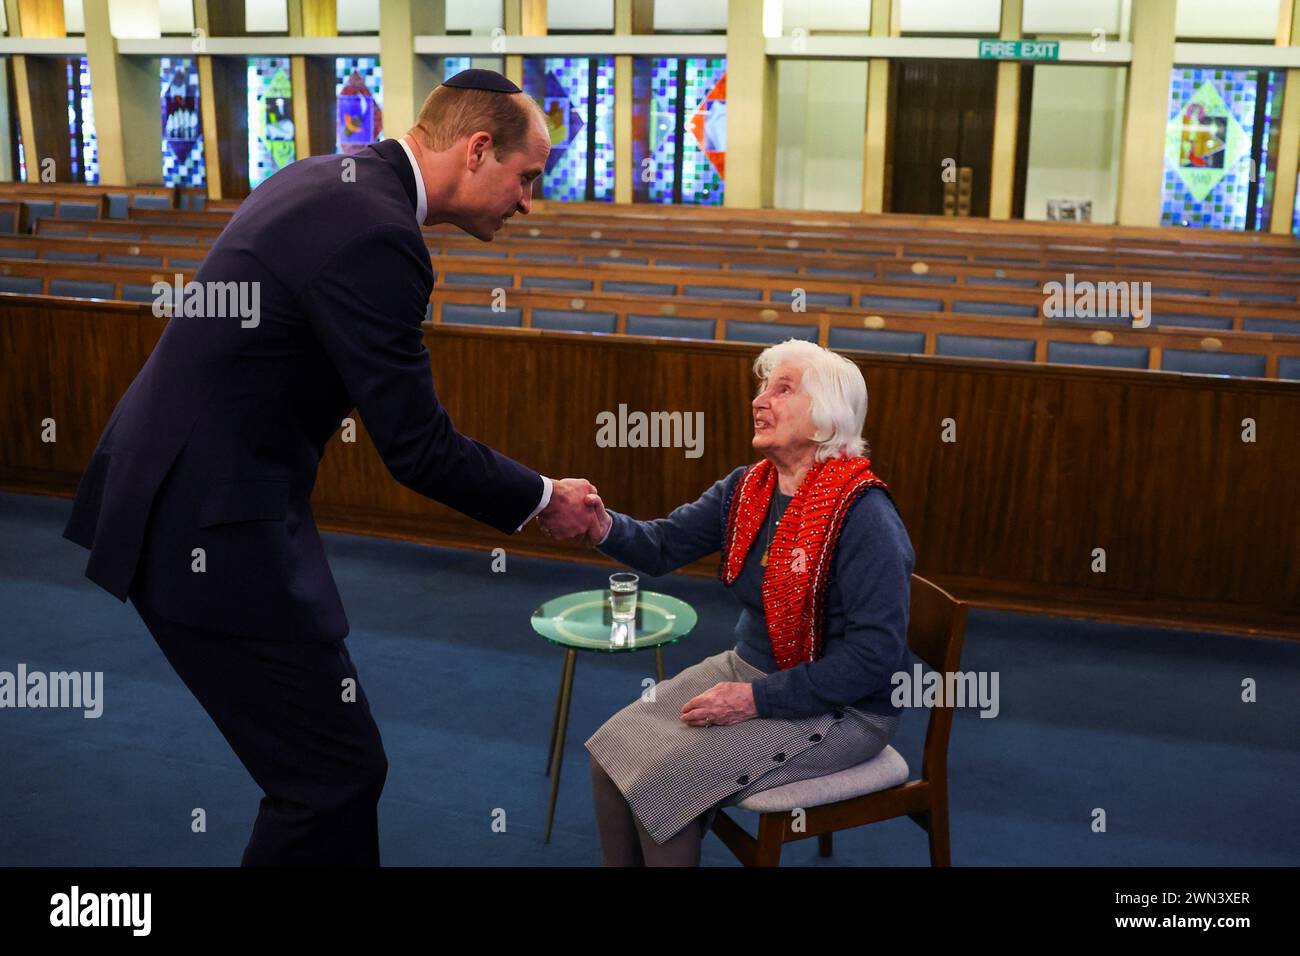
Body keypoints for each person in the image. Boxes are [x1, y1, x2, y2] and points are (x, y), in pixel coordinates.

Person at [62, 70, 602, 866]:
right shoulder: (379, 233)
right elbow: (417, 447)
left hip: (201, 497)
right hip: (206, 519)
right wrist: (542, 498)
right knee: (332, 776)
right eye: (528, 178)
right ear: (478, 149)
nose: (529, 203)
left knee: (328, 770)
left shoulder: (329, 175)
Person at [581, 339, 915, 866]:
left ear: (827, 418)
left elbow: (874, 658)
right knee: (611, 750)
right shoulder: (747, 487)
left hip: (845, 708)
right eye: (763, 387)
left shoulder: (865, 516)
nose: (760, 400)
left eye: (783, 389)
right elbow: (662, 544)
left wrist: (754, 700)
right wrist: (600, 524)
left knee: (663, 780)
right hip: (750, 668)